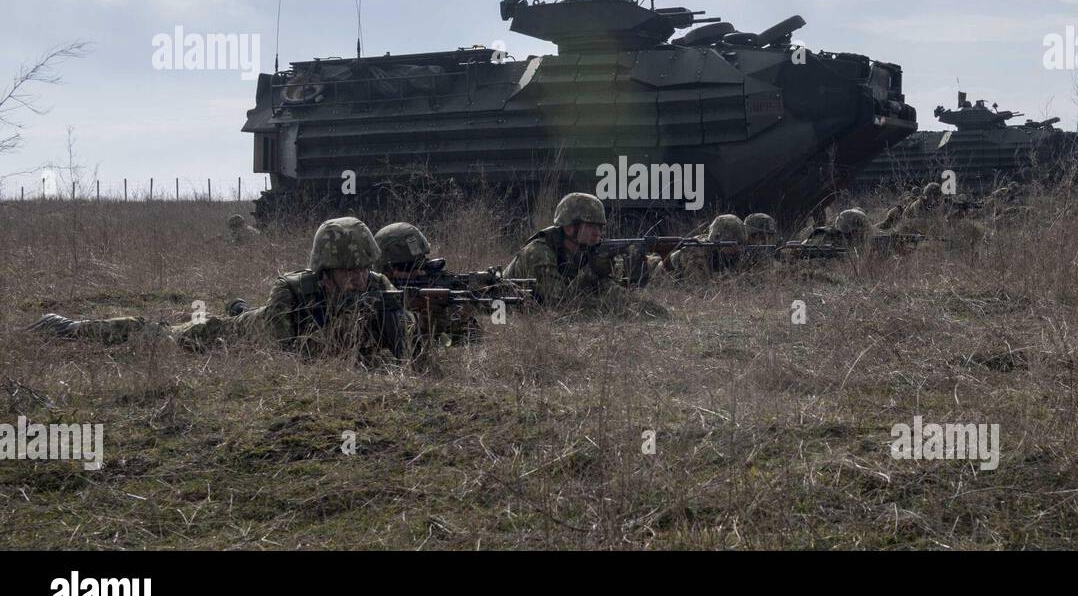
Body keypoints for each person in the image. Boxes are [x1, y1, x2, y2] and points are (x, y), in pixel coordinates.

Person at [29, 217, 412, 362]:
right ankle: (66, 327)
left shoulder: (379, 287)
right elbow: (292, 356)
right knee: (159, 335)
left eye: (364, 267)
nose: (360, 277)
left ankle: (238, 307)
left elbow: (406, 340)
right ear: (326, 270)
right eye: (350, 269)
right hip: (231, 337)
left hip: (257, 323)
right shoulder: (293, 292)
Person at [502, 193, 664, 315]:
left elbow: (608, 288)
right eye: (591, 226)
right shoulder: (538, 252)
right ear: (570, 227)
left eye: (600, 227)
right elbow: (560, 305)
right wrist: (592, 272)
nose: (598, 233)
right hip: (506, 312)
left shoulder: (586, 247)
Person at [374, 221, 480, 348]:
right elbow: (401, 358)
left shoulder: (432, 293)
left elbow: (471, 342)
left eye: (422, 263)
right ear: (387, 271)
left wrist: (461, 320)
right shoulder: (375, 307)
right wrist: (425, 329)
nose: (420, 271)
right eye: (408, 266)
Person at [655, 214, 750, 280]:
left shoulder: (727, 254)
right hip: (657, 275)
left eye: (741, 244)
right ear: (717, 240)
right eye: (734, 244)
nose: (739, 249)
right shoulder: (697, 253)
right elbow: (701, 290)